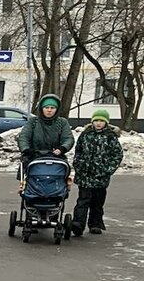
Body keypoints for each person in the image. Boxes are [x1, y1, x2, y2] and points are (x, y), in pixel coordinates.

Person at [70, 109, 124, 237]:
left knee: (97, 202)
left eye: (101, 121)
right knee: (83, 200)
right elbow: (78, 151)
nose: (98, 123)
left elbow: (117, 155)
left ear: (106, 123)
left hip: (101, 176)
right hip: (85, 175)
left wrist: (107, 169)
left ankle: (95, 224)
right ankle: (78, 223)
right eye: (96, 121)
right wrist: (79, 165)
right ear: (92, 122)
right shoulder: (86, 135)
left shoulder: (111, 137)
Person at [17, 93, 74, 164]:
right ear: (42, 109)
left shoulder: (62, 122)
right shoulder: (33, 122)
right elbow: (24, 136)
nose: (49, 110)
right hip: (33, 156)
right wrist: (26, 149)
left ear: (57, 109)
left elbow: (68, 138)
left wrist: (62, 148)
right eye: (46, 107)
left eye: (52, 108)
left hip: (55, 156)